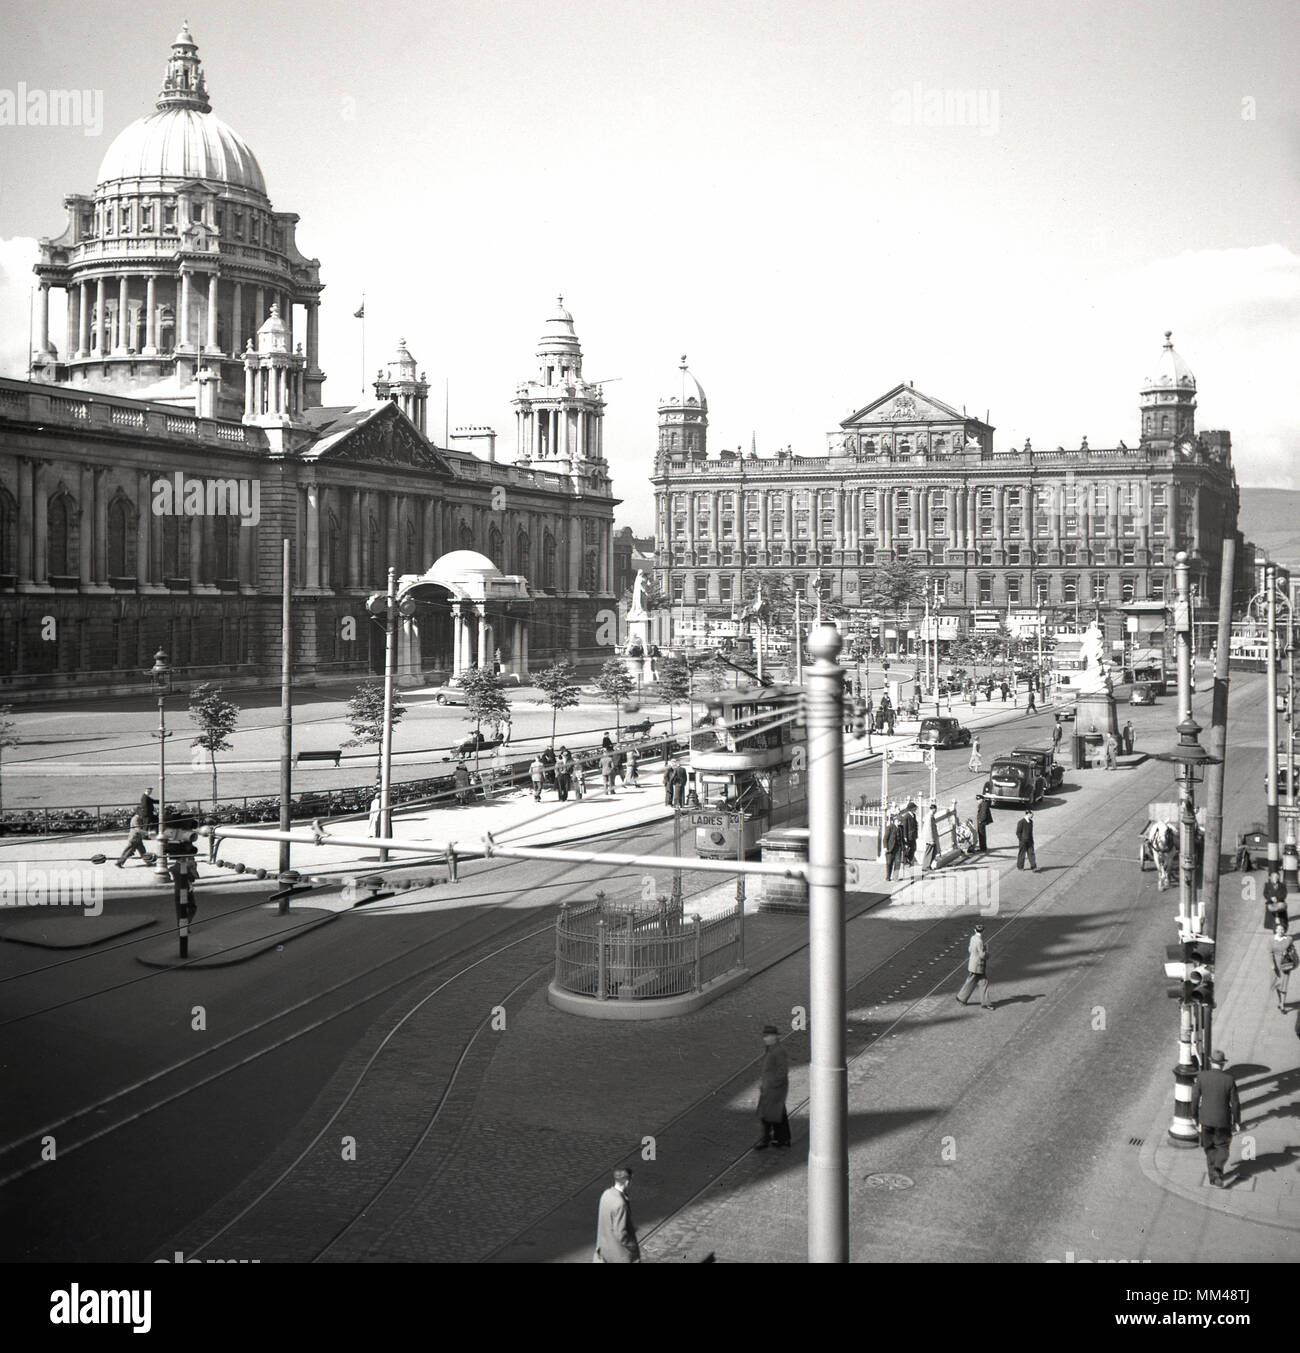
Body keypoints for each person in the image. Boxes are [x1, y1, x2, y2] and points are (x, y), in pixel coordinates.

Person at [1190, 1051, 1242, 1188]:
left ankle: (1213, 1177)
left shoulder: (1202, 1077)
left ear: (1210, 1061)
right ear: (1223, 1063)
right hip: (1223, 1121)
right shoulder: (1229, 1080)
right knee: (1223, 1147)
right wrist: (1237, 1121)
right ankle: (1218, 1170)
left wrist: (1194, 1117)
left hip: (1206, 1120)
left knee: (1209, 1148)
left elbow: (1194, 1098)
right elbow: (1235, 1103)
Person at [754, 1024, 791, 1149]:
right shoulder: (771, 1049)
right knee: (776, 1113)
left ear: (775, 1037)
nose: (766, 1038)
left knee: (768, 1114)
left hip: (774, 1089)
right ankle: (782, 1138)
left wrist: (772, 1084)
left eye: (768, 1036)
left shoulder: (778, 1051)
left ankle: (767, 1139)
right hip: (770, 1088)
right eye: (765, 1036)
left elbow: (782, 1071)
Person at [593, 1167, 640, 1263]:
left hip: (605, 1250)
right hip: (619, 1255)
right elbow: (620, 1233)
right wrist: (632, 1246)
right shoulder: (620, 1203)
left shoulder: (606, 1194)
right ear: (627, 1181)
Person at [955, 923, 993, 1008]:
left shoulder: (973, 938)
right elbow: (982, 955)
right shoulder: (980, 941)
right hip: (978, 966)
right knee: (977, 983)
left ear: (975, 930)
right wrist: (987, 952)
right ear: (983, 931)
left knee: (979, 982)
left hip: (973, 964)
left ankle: (962, 998)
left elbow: (970, 949)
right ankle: (962, 998)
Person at [1270, 924, 1297, 1014]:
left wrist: (1288, 951)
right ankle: (1280, 1000)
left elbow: (1293, 948)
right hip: (1276, 966)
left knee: (1284, 986)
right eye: (1279, 929)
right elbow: (1270, 953)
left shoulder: (1289, 939)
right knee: (1277, 985)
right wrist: (1272, 964)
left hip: (1285, 965)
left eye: (1282, 929)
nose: (1281, 931)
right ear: (1275, 930)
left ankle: (1282, 1004)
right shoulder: (1271, 940)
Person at [884, 812, 904, 880]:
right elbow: (885, 838)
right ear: (895, 821)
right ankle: (888, 877)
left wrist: (904, 847)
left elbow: (902, 838)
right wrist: (885, 847)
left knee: (897, 863)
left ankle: (895, 877)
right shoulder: (890, 827)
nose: (899, 823)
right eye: (898, 821)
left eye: (900, 821)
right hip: (890, 848)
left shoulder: (901, 828)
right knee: (889, 863)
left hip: (898, 848)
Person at [922, 803, 942, 871]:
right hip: (930, 838)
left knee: (934, 851)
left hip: (932, 837)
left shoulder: (930, 816)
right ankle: (925, 866)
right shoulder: (929, 817)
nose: (936, 811)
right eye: (935, 809)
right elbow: (929, 829)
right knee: (929, 852)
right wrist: (930, 839)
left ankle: (928, 865)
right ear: (933, 809)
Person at [900, 801, 919, 867]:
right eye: (914, 808)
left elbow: (915, 825)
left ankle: (909, 859)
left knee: (913, 848)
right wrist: (905, 836)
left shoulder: (913, 815)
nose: (915, 809)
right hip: (908, 836)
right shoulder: (906, 816)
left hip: (913, 835)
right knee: (907, 848)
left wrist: (916, 834)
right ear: (911, 809)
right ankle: (905, 862)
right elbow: (905, 827)